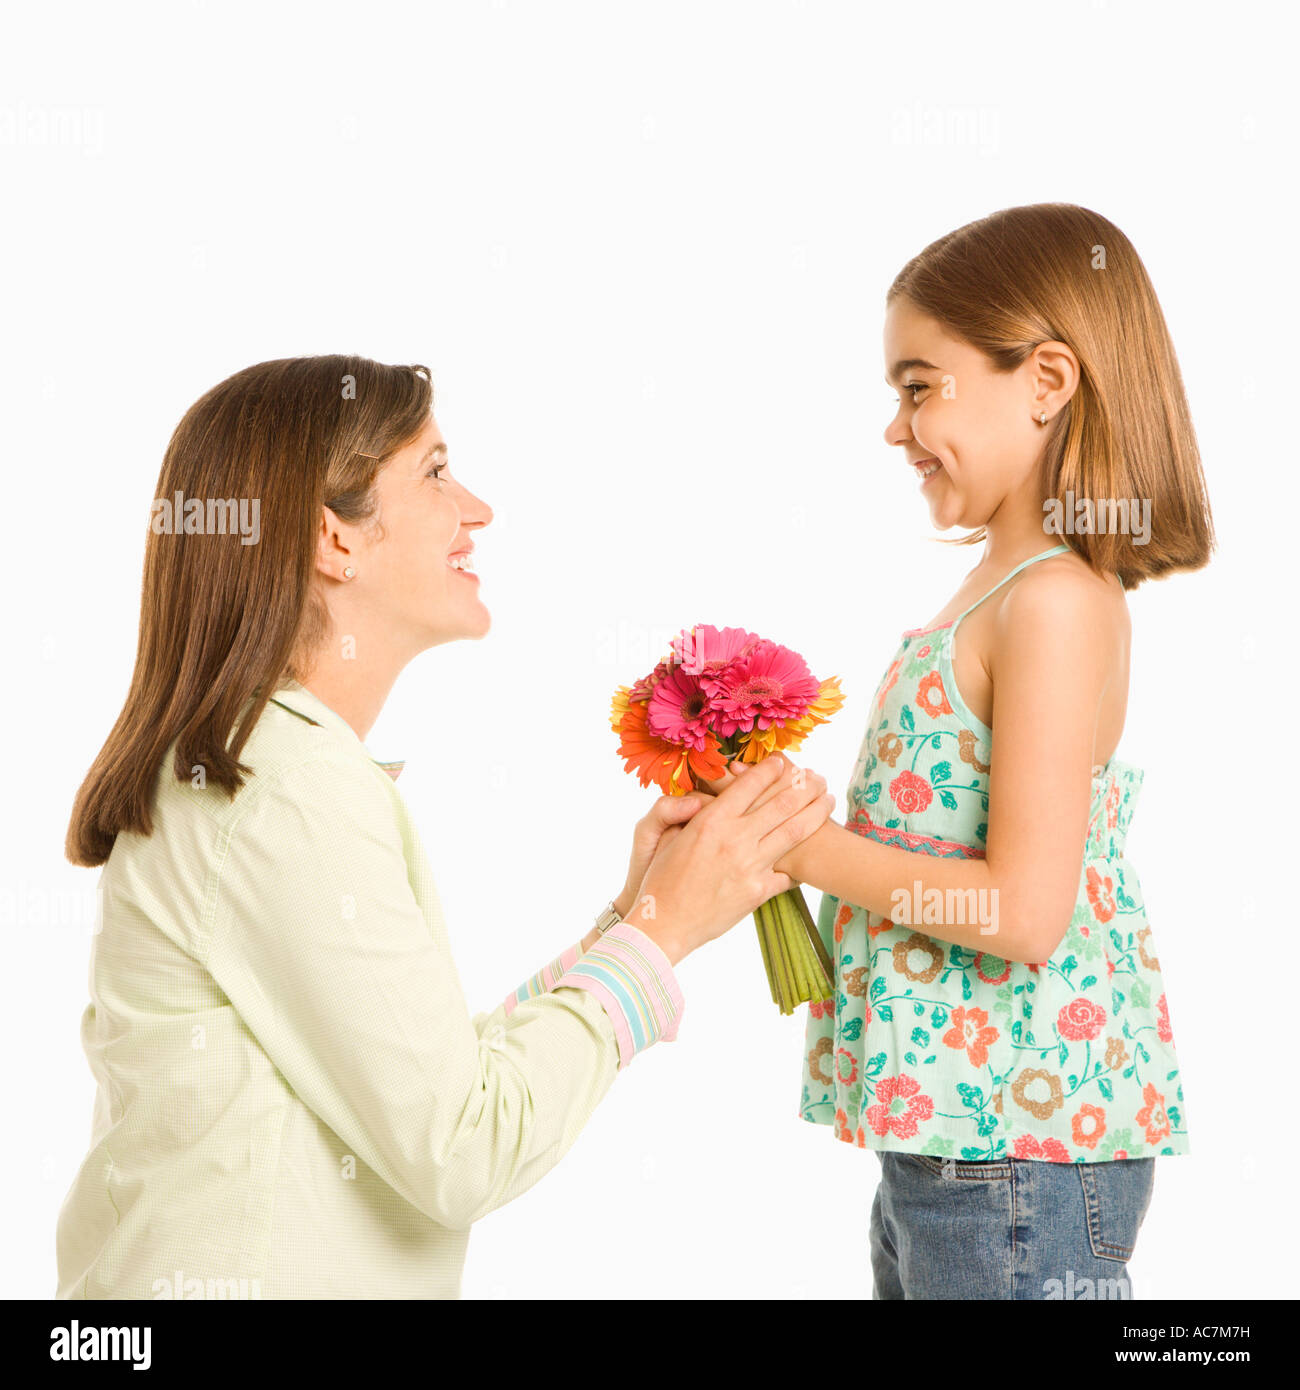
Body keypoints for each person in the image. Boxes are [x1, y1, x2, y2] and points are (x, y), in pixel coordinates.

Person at [56, 355, 834, 1299]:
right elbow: (465, 1148)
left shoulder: (260, 765)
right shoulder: (284, 788)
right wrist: (661, 935)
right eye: (433, 472)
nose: (477, 510)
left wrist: (628, 921)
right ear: (332, 539)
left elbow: (428, 1087)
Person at [752, 203, 1213, 1300]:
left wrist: (807, 850)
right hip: (963, 1129)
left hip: (1015, 1143)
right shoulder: (998, 593)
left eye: (919, 387)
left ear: (1046, 380)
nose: (896, 426)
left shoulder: (1052, 600)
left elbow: (1020, 912)